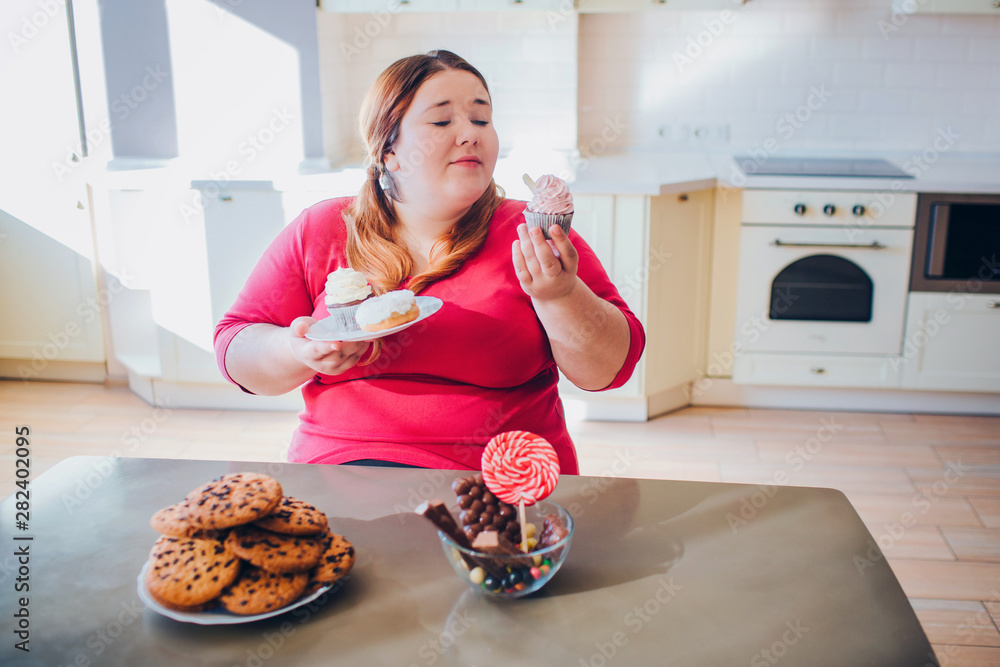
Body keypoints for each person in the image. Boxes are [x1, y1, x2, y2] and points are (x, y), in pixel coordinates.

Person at [214, 50, 644, 474]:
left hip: (500, 483)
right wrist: (295, 351)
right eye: (442, 121)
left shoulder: (531, 233)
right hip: (341, 473)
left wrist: (561, 296)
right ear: (389, 152)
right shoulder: (324, 227)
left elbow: (609, 371)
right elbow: (236, 349)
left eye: (481, 119)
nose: (470, 134)